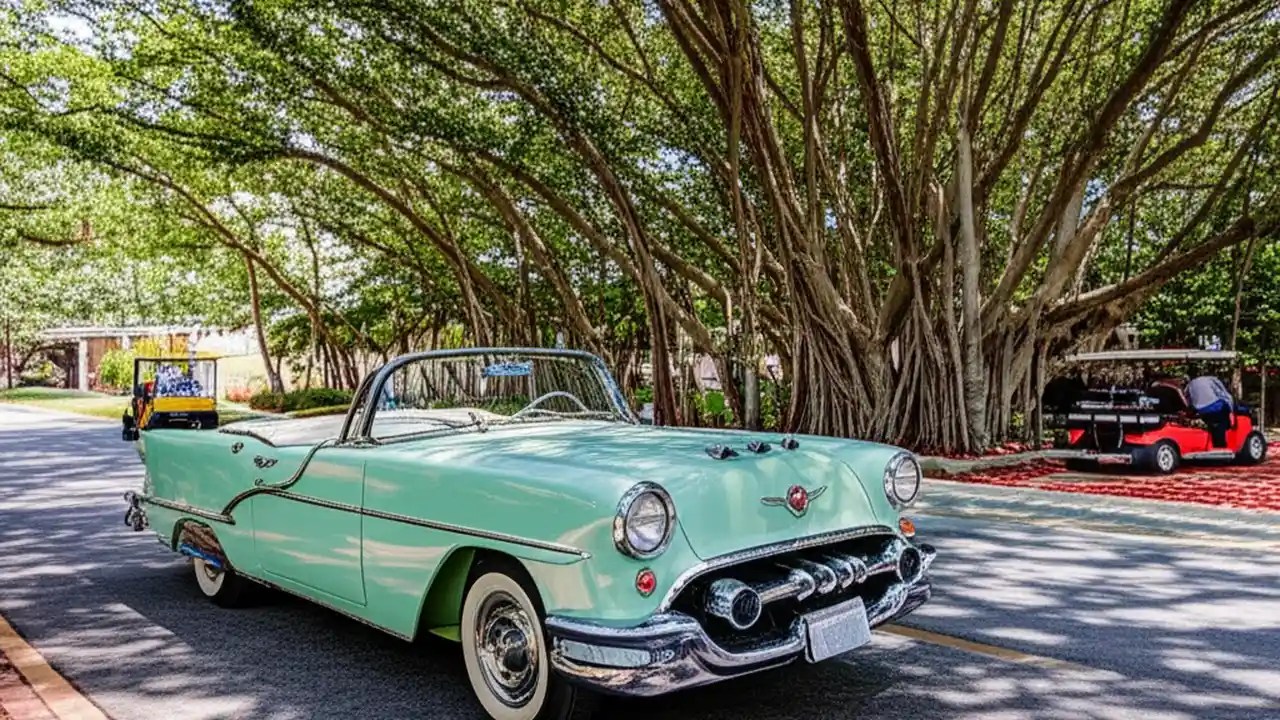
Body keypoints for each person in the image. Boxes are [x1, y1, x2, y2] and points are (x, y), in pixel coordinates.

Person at [1186, 374, 1233, 447]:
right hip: (1215, 406)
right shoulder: (1213, 379)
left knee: (1211, 422)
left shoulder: (1191, 384)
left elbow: (1188, 399)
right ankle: (1223, 440)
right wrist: (1231, 409)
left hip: (1201, 410)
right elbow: (1223, 394)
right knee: (1223, 418)